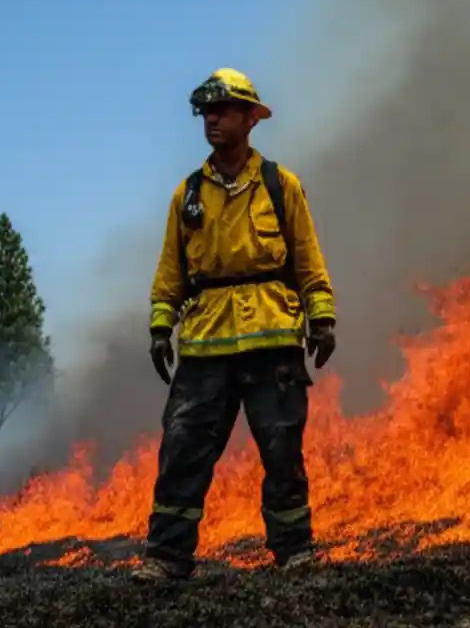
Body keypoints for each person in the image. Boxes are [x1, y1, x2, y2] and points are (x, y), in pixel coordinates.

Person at [132, 67, 337, 582]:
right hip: (205, 345)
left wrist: (323, 316)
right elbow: (170, 271)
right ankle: (165, 557)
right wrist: (161, 327)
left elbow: (308, 257)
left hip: (273, 339)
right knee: (183, 450)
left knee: (282, 449)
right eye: (206, 111)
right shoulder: (188, 195)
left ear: (251, 118)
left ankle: (294, 553)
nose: (212, 120)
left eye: (222, 111)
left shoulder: (279, 185)